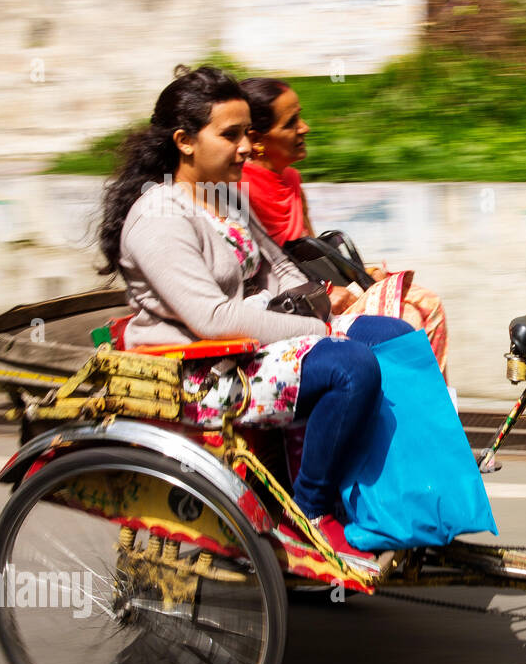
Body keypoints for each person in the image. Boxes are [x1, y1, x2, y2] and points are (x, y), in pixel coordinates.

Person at [97, 65, 411, 562]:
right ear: (184, 141)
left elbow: (286, 273)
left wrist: (301, 307)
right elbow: (214, 319)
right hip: (199, 373)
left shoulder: (226, 200)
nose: (248, 146)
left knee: (392, 336)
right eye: (231, 135)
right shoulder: (158, 217)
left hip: (247, 348)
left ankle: (378, 497)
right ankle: (307, 511)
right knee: (350, 368)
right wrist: (315, 324)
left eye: (248, 133)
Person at [239, 77, 450, 378]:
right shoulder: (241, 190)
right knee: (414, 316)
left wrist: (359, 274)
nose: (305, 128)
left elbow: (310, 256)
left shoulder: (292, 181)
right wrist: (327, 291)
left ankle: (429, 412)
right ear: (257, 140)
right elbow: (260, 274)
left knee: (427, 304)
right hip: (290, 307)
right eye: (291, 123)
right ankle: (418, 415)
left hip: (320, 292)